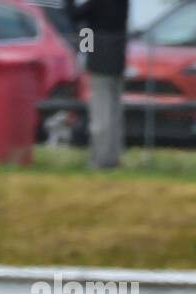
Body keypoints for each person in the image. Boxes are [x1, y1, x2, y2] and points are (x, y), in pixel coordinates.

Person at [66, 0, 130, 169]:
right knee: (114, 111)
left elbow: (76, 16)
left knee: (101, 111)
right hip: (118, 57)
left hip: (100, 58)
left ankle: (100, 159)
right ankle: (113, 156)